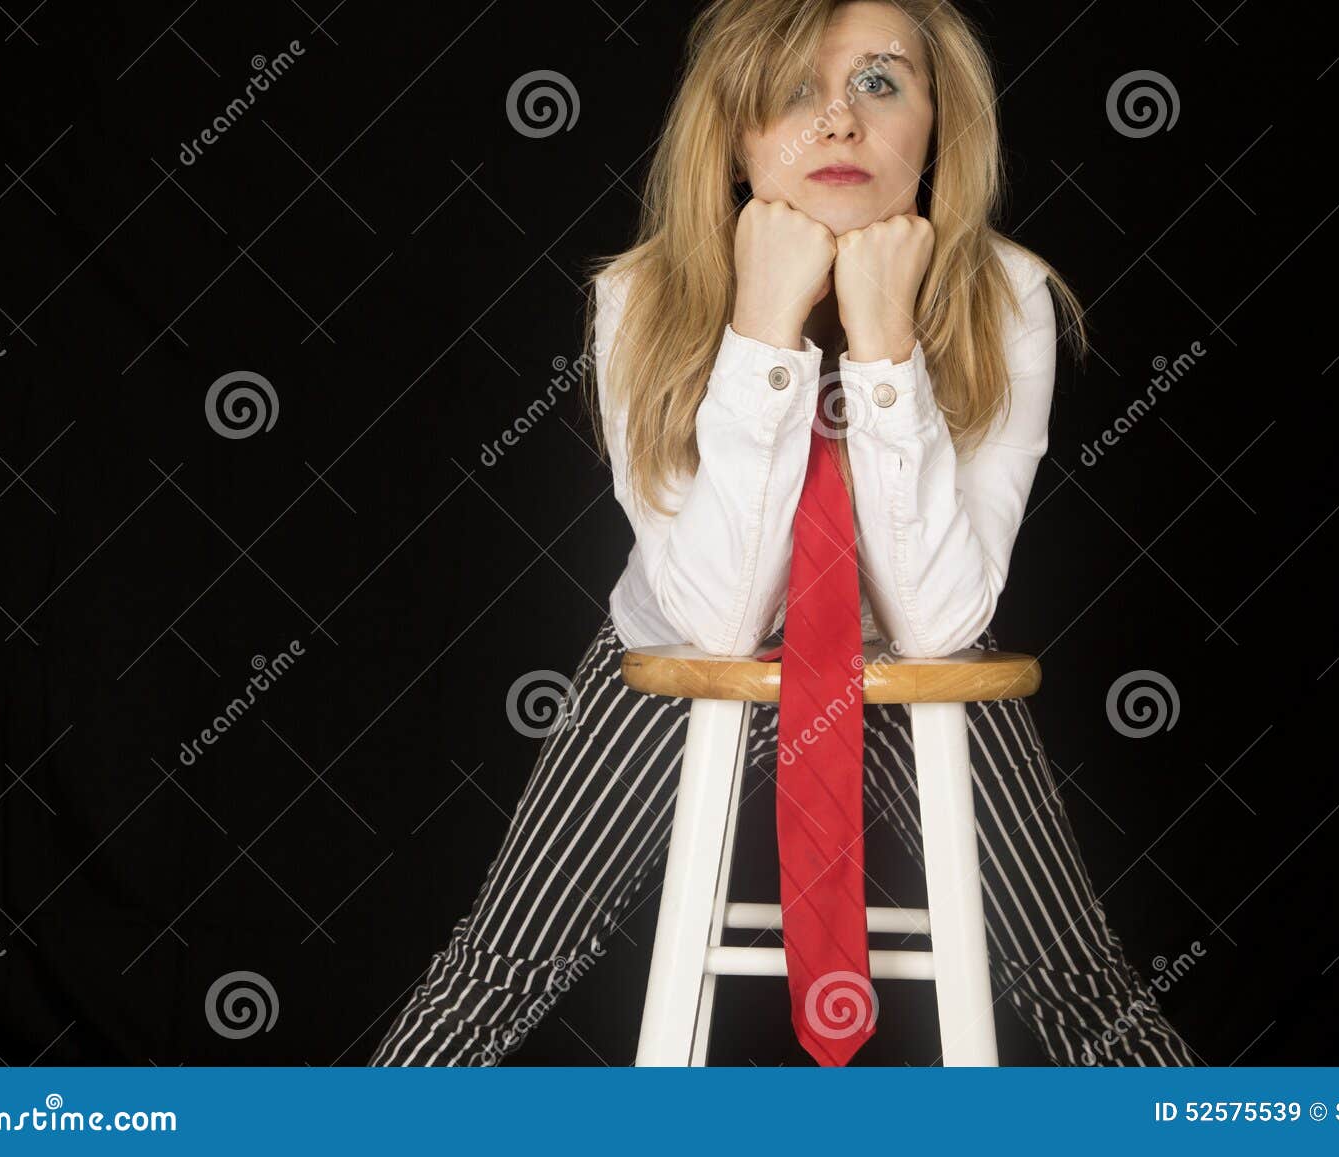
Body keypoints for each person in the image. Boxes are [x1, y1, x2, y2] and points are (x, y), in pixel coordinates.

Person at [370, 0, 1200, 1067]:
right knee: (492, 971)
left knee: (1087, 990)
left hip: (903, 661)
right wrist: (764, 329)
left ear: (937, 128)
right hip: (688, 660)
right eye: (795, 89)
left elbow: (941, 620)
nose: (840, 123)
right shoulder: (639, 296)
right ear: (734, 131)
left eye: (881, 83)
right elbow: (714, 619)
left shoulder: (1006, 297)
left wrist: (885, 345)